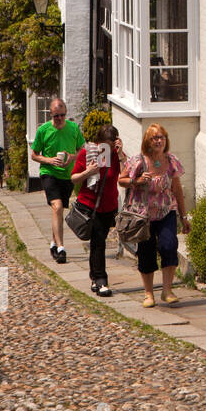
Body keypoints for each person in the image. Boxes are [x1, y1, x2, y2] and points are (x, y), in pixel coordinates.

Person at [119, 123, 189, 308]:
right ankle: (148, 293)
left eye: (161, 137)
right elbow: (122, 180)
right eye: (154, 138)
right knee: (146, 253)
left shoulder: (171, 161)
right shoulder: (138, 161)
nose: (159, 141)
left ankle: (167, 290)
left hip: (166, 211)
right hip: (143, 216)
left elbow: (177, 189)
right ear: (147, 142)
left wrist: (184, 216)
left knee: (169, 245)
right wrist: (137, 181)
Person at [30, 98, 86, 265]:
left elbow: (81, 150)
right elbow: (34, 155)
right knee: (58, 206)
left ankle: (53, 243)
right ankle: (61, 248)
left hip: (68, 175)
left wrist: (72, 158)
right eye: (56, 116)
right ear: (51, 115)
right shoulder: (44, 130)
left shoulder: (73, 128)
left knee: (58, 211)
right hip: (49, 173)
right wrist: (49, 160)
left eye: (62, 115)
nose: (60, 119)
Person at [71, 125, 123, 297]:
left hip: (108, 206)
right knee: (99, 242)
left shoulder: (115, 156)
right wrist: (88, 172)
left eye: (111, 145)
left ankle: (94, 278)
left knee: (97, 243)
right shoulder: (88, 154)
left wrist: (121, 154)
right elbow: (74, 178)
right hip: (89, 205)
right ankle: (101, 281)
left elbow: (124, 176)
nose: (106, 149)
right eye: (104, 145)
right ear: (98, 142)